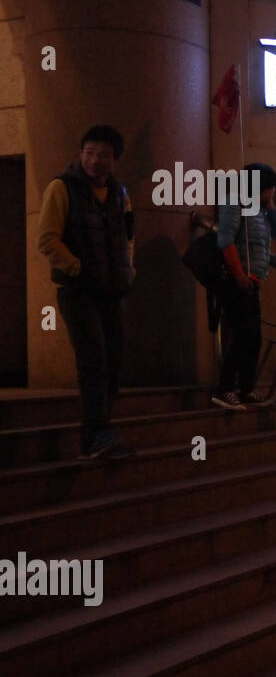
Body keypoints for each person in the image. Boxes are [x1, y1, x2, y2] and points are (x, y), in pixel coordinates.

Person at [38, 125, 136, 459]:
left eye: (104, 155)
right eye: (90, 153)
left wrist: (128, 270)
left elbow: (127, 238)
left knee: (114, 362)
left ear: (115, 160)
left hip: (113, 291)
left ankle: (101, 431)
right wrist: (78, 268)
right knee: (93, 359)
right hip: (78, 291)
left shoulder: (121, 194)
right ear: (81, 154)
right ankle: (95, 433)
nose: (95, 160)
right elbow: (47, 239)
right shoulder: (61, 188)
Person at [211, 163, 276, 410]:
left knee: (253, 338)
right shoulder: (234, 203)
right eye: (271, 188)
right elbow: (225, 239)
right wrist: (238, 273)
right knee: (242, 334)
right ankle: (225, 388)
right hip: (234, 280)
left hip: (253, 281)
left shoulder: (260, 211)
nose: (273, 192)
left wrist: (271, 207)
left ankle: (246, 388)